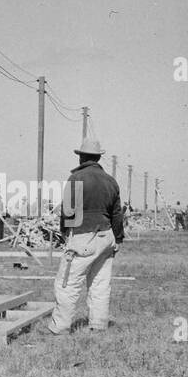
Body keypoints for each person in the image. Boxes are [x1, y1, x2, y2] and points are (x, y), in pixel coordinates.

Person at [47, 136, 123, 335]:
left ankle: (59, 327)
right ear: (98, 158)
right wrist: (118, 239)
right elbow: (117, 214)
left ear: (81, 157)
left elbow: (68, 212)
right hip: (106, 236)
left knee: (67, 284)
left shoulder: (76, 178)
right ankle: (98, 325)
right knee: (100, 284)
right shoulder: (111, 181)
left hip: (82, 237)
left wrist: (66, 235)